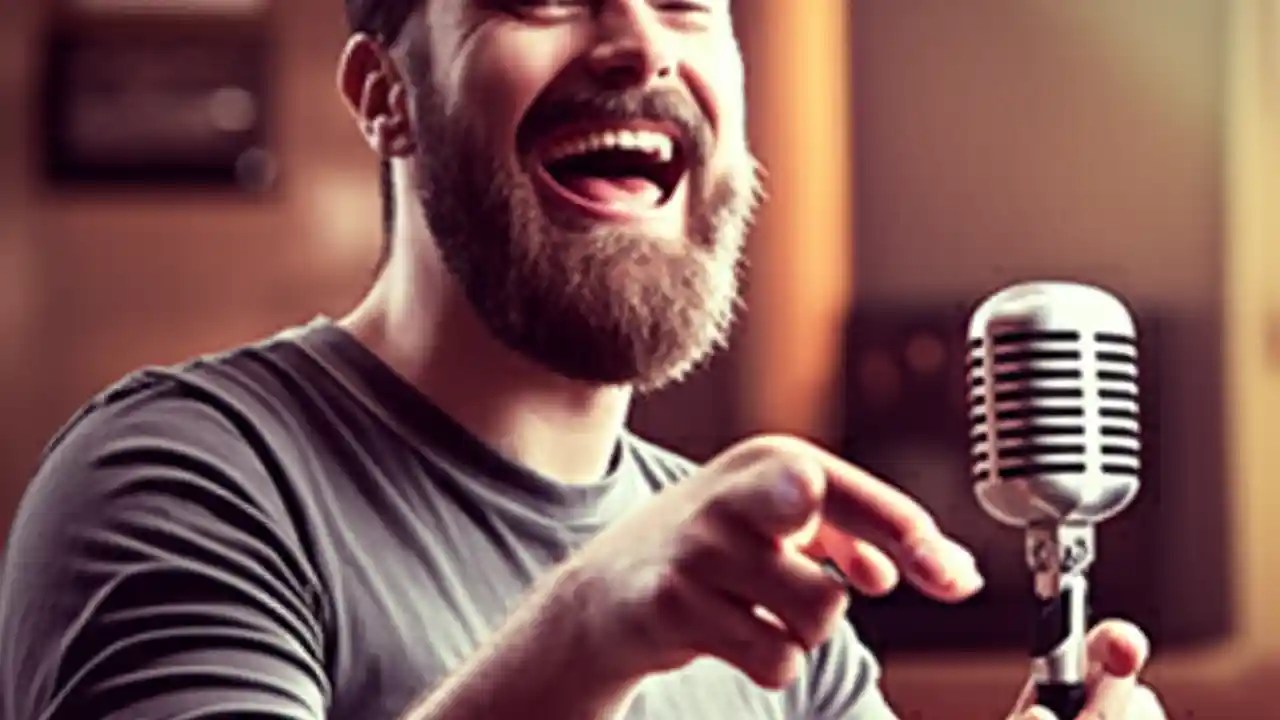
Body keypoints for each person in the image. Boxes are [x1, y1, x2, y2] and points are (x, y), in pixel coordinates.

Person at [0, 1, 1168, 718]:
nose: (639, 45)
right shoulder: (178, 482)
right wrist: (582, 641)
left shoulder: (775, 609)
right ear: (383, 95)